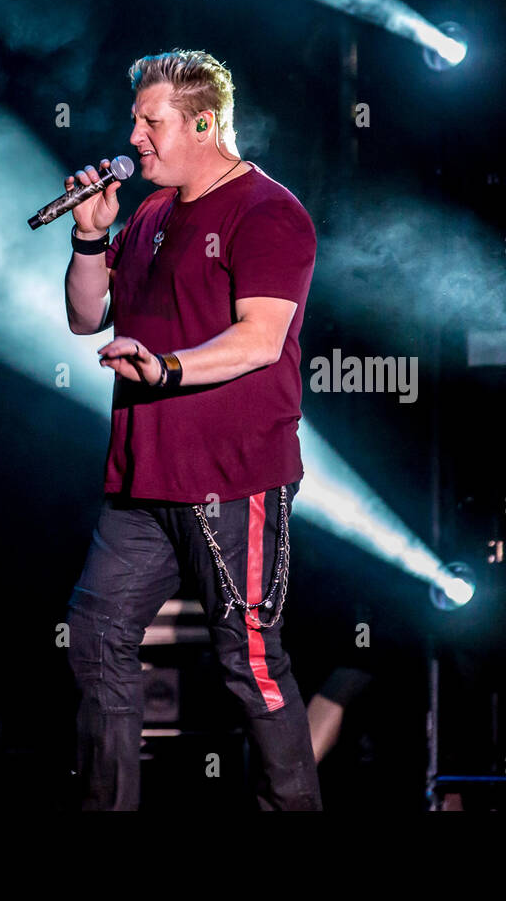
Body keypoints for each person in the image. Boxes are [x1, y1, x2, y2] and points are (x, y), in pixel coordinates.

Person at [61, 49, 320, 810]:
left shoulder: (268, 212)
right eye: (136, 120)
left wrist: (167, 368)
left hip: (231, 478)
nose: (134, 137)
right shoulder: (145, 214)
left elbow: (259, 340)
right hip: (143, 479)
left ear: (203, 122)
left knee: (250, 664)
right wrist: (87, 239)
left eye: (151, 122)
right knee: (94, 637)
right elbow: (84, 317)